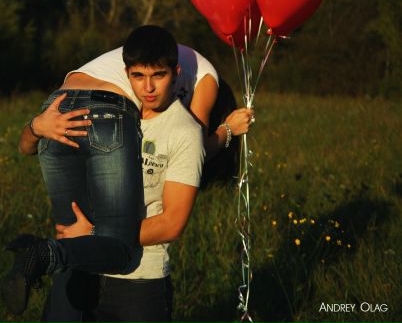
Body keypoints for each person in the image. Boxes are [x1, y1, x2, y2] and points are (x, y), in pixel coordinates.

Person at [2, 27, 253, 321]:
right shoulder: (112, 115)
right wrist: (36, 127)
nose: (148, 87)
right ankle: (42, 255)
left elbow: (172, 224)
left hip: (137, 283)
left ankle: (47, 254)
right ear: (126, 73)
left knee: (111, 249)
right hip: (77, 268)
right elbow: (26, 147)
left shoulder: (185, 129)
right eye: (138, 76)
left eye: (158, 75)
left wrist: (92, 234)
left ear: (176, 74)